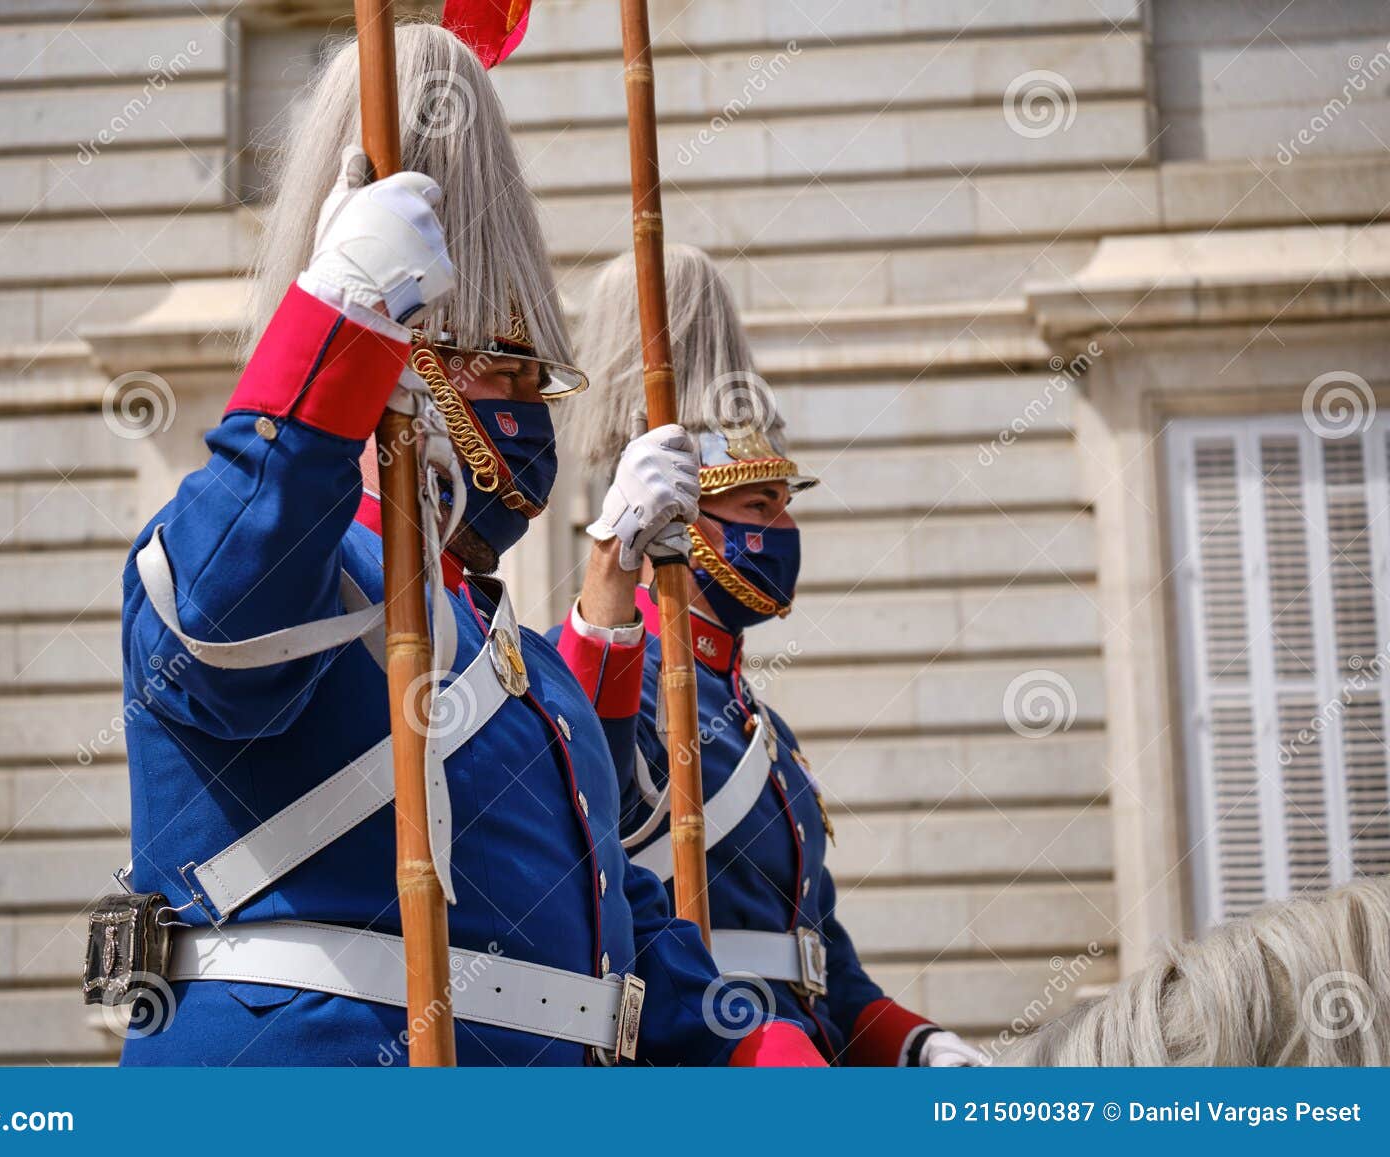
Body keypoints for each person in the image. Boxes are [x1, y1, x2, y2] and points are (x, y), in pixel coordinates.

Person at [112, 25, 822, 1067]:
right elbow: (218, 611)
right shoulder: (313, 574)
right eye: (502, 372)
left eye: (542, 385)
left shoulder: (520, 665)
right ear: (413, 368)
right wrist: (337, 321)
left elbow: (618, 929)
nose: (532, 415)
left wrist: (754, 1048)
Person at [558, 245, 987, 1066]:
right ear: (691, 521)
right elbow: (586, 792)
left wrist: (915, 1042)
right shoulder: (617, 668)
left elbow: (817, 953)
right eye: (760, 505)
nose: (783, 532)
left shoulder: (766, 728)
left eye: (786, 508)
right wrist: (614, 558)